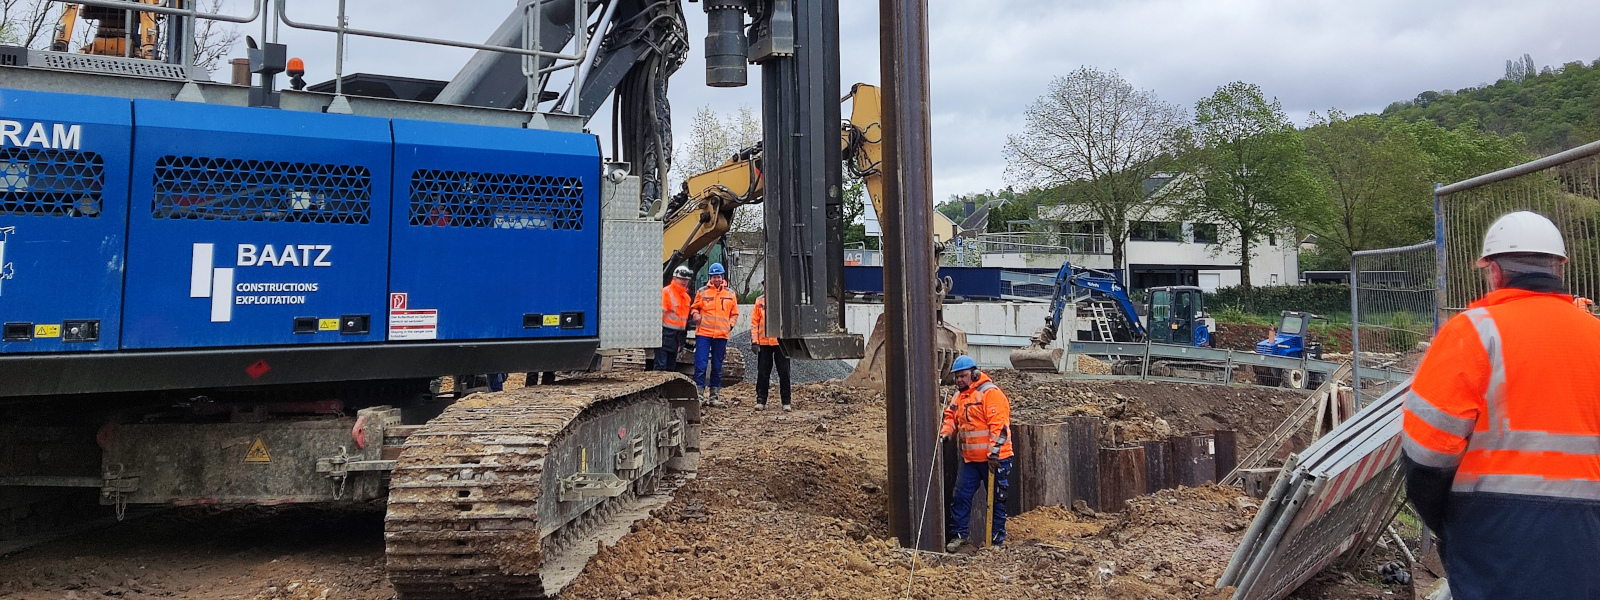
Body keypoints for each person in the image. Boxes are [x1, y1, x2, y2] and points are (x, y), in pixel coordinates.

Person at [1401, 211, 1600, 600]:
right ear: (1560, 268)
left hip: (1492, 529)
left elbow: (1425, 454)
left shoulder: (1471, 332)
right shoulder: (1596, 336)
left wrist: (1446, 520)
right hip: (1587, 533)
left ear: (1492, 271)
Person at [940, 355, 1013, 551]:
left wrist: (994, 453)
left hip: (994, 460)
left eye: (962, 376)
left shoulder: (990, 394)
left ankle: (996, 541)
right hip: (970, 460)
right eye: (956, 377)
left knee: (996, 500)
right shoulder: (959, 396)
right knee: (961, 496)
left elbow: (999, 426)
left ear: (974, 374)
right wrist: (947, 432)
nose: (959, 380)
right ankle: (959, 536)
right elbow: (950, 416)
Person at [689, 263, 738, 406]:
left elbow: (734, 313)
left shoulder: (730, 294)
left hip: (721, 335)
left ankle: (714, 397)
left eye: (718, 277)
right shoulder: (702, 292)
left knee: (717, 366)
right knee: (701, 365)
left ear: (722, 277)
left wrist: (730, 325)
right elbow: (694, 308)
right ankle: (699, 396)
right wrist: (696, 315)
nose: (716, 279)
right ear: (710, 278)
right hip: (704, 334)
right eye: (714, 277)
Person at [749, 280, 791, 411]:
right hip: (764, 342)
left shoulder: (784, 300)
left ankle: (786, 401)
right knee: (763, 373)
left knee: (784, 372)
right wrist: (754, 341)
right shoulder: (759, 301)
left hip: (780, 342)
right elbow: (755, 322)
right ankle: (761, 400)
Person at [654, 265, 695, 372]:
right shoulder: (666, 292)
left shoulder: (686, 297)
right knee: (661, 367)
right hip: (665, 334)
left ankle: (667, 389)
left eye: (686, 279)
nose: (684, 281)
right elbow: (658, 315)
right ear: (674, 278)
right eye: (681, 278)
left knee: (671, 368)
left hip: (678, 337)